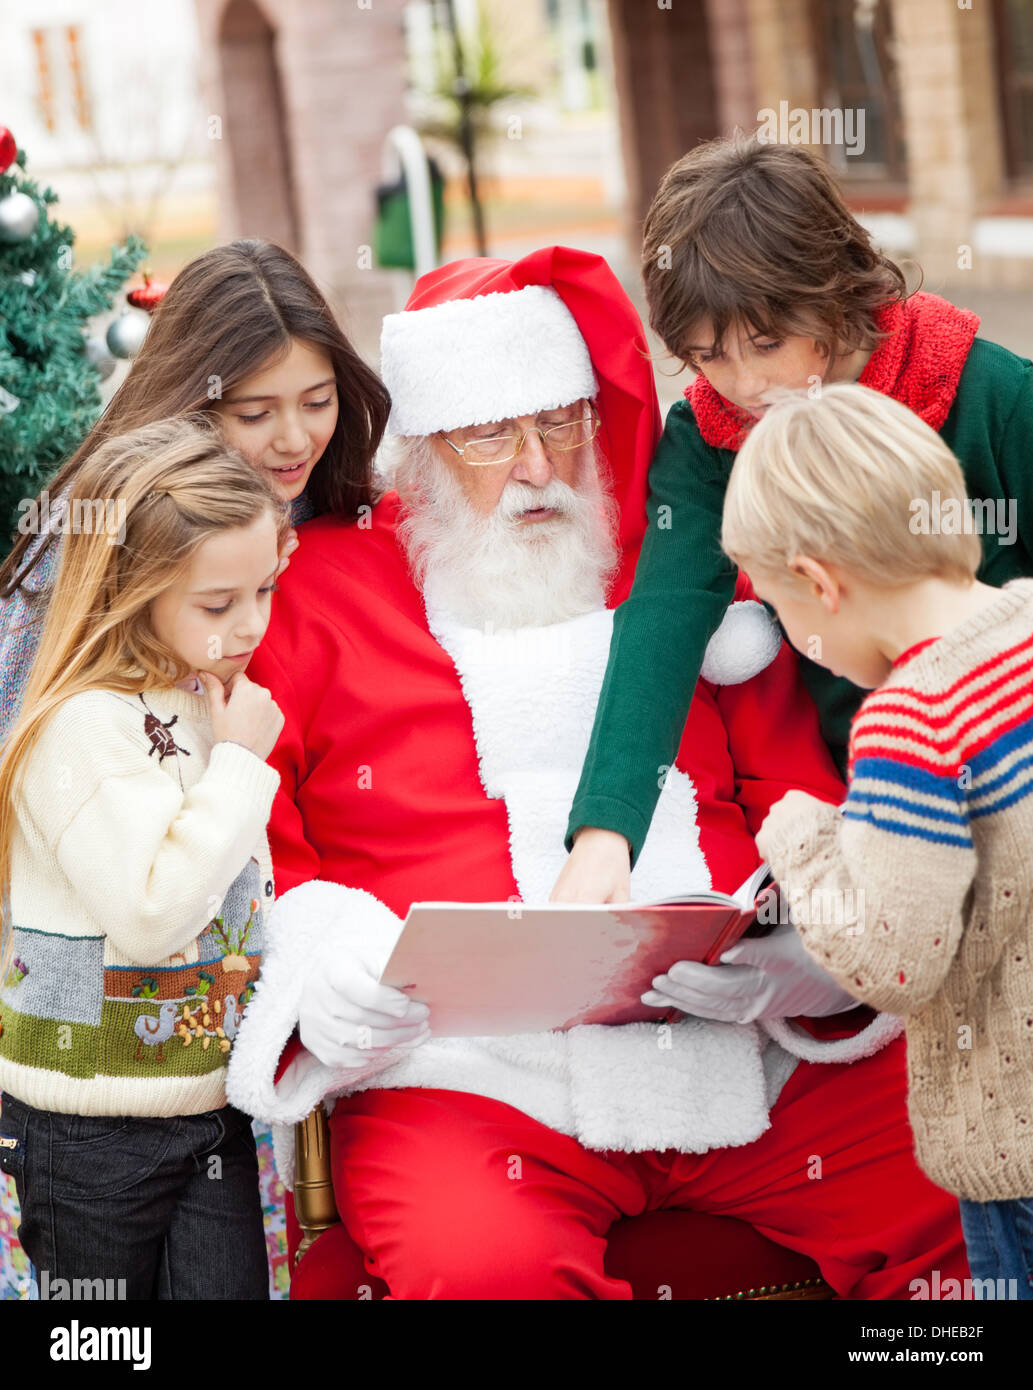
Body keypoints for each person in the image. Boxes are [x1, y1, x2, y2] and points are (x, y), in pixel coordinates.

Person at [227, 247, 969, 1301]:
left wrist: (802, 958)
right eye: (490, 432)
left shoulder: (676, 575)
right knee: (482, 1266)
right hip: (473, 1077)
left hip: (749, 1041)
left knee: (960, 1177)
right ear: (424, 451)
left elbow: (810, 803)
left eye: (562, 421)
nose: (536, 466)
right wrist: (334, 970)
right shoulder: (317, 591)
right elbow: (268, 856)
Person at [553, 133, 1033, 905]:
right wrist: (606, 836)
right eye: (707, 356)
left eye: (767, 343)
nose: (742, 383)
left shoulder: (989, 393)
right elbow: (662, 620)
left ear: (835, 291)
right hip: (878, 811)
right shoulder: (710, 435)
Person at [717, 384, 1033, 1299]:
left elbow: (893, 962)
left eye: (781, 610)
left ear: (819, 583)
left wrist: (806, 839)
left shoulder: (913, 718)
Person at [0, 418, 290, 1299]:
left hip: (205, 1104)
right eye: (218, 604)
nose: (249, 625)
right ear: (133, 586)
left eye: (264, 591)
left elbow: (239, 888)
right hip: (86, 1120)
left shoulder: (199, 695)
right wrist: (242, 765)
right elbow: (153, 912)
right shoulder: (80, 725)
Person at [0, 237, 390, 743]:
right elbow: (18, 711)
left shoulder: (331, 494)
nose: (295, 441)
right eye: (254, 414)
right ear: (191, 404)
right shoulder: (112, 510)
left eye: (317, 403)